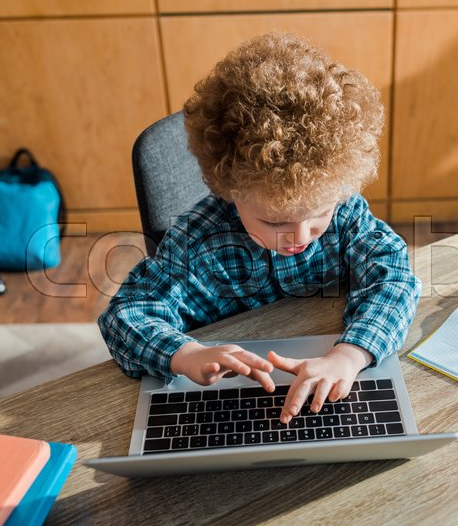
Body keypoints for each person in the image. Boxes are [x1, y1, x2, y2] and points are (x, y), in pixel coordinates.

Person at [98, 32, 421, 424]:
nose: (300, 237)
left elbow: (395, 277)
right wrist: (185, 355)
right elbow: (125, 315)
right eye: (274, 221)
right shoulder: (196, 242)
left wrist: (350, 355)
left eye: (319, 215)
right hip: (224, 398)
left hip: (325, 368)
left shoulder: (347, 212)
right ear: (229, 189)